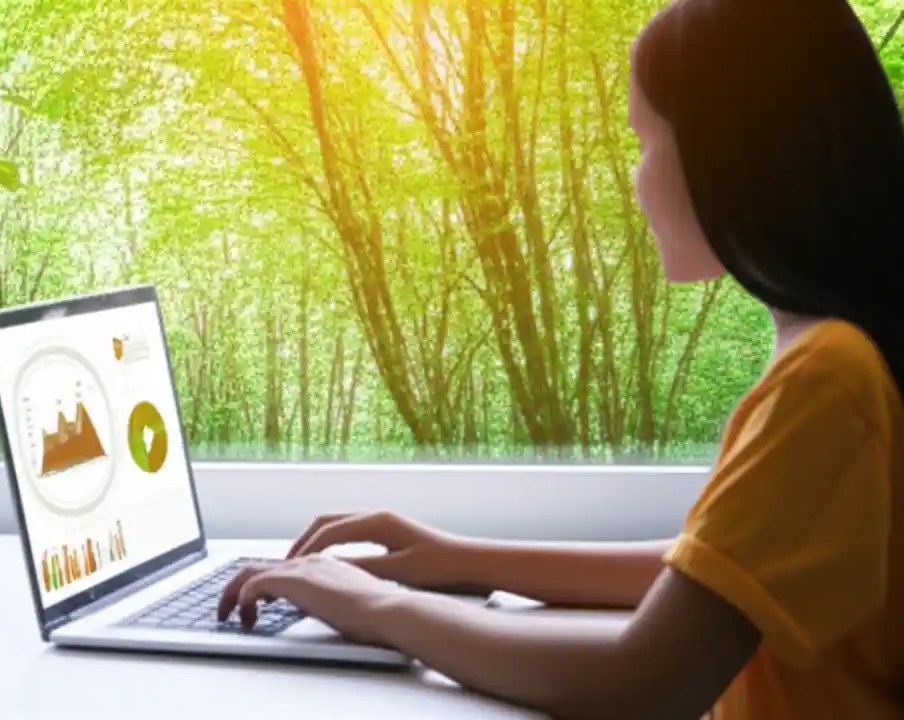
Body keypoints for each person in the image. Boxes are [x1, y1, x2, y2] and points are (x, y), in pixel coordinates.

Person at [217, 0, 904, 716]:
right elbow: (711, 578)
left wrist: (374, 606)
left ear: (726, 153)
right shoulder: (845, 347)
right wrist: (458, 557)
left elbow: (640, 680)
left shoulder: (827, 376)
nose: (638, 183)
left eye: (646, 142)